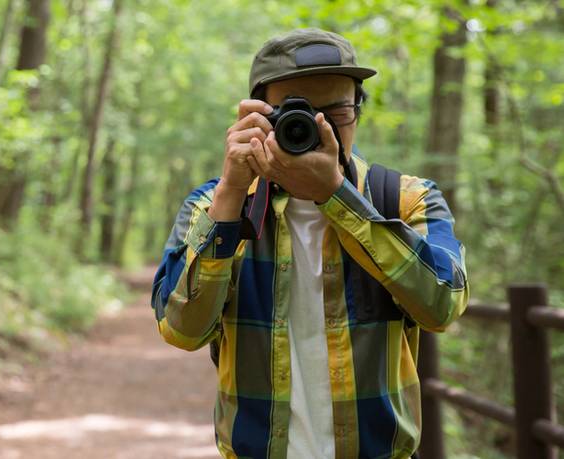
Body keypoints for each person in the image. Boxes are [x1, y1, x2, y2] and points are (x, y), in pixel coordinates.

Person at [150, 28, 469, 459]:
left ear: (358, 110)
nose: (318, 128)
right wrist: (230, 193)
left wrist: (337, 196)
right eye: (296, 112)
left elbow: (443, 304)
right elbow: (181, 330)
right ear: (256, 116)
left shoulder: (406, 199)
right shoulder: (216, 204)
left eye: (336, 112)